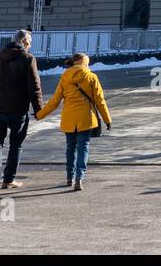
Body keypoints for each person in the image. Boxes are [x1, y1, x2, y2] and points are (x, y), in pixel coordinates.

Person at [35, 52, 112, 190]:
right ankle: (79, 178)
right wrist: (107, 119)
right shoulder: (92, 77)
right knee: (83, 148)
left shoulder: (65, 76)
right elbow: (100, 101)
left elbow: (55, 100)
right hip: (86, 119)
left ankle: (69, 177)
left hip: (69, 119)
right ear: (85, 64)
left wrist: (40, 114)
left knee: (71, 148)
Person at [0, 29, 44, 194]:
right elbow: (34, 87)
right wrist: (38, 110)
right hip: (18, 109)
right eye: (29, 44)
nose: (29, 47)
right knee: (16, 145)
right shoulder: (27, 59)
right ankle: (9, 179)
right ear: (23, 42)